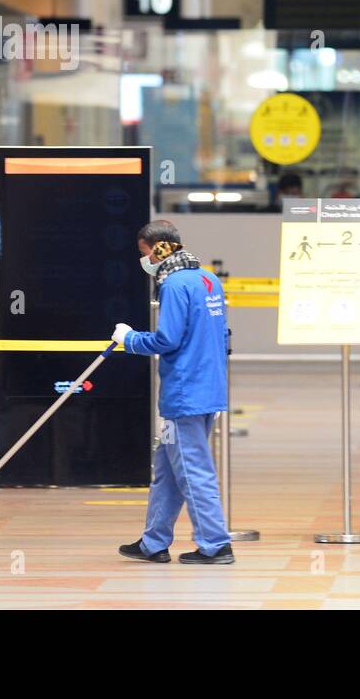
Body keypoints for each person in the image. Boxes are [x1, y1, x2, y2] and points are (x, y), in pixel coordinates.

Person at [114, 220, 234, 565]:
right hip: (209, 386)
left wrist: (129, 339)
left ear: (158, 247)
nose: (145, 260)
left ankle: (215, 544)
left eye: (144, 253)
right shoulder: (208, 279)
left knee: (194, 470)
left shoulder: (174, 284)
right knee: (167, 469)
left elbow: (167, 340)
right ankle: (154, 541)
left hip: (184, 393)